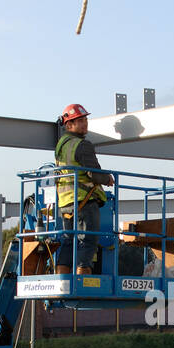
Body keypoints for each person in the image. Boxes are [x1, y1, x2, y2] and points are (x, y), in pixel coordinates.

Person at [54, 104, 114, 275]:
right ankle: (83, 282)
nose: (84, 123)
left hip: (65, 203)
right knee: (88, 240)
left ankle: (62, 279)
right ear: (68, 125)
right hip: (84, 200)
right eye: (79, 121)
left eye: (85, 119)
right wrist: (107, 178)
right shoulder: (82, 145)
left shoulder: (61, 145)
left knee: (69, 240)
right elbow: (94, 173)